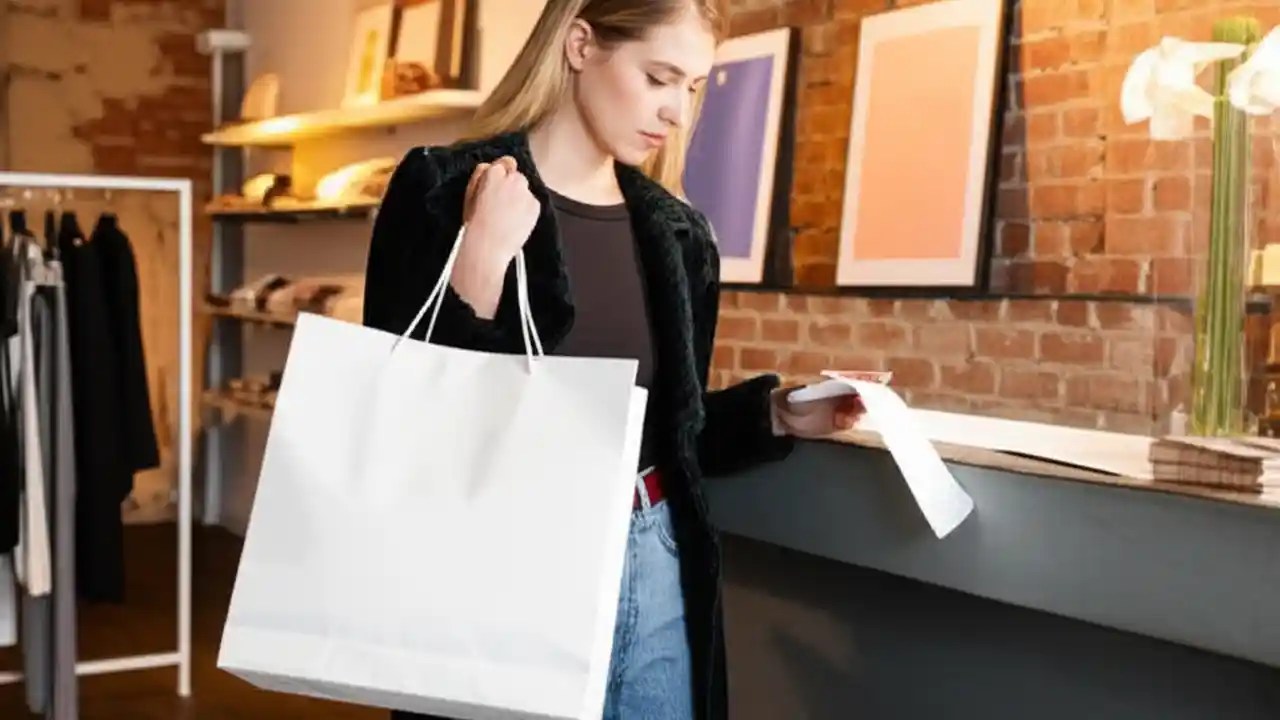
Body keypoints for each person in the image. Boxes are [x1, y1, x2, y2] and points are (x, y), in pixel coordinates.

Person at [361, 1, 864, 718]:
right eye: (660, 77)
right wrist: (481, 263)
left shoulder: (678, 233)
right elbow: (405, 418)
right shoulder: (444, 188)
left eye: (692, 88)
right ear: (579, 45)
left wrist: (776, 413)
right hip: (502, 571)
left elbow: (669, 435)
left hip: (651, 563)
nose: (677, 113)